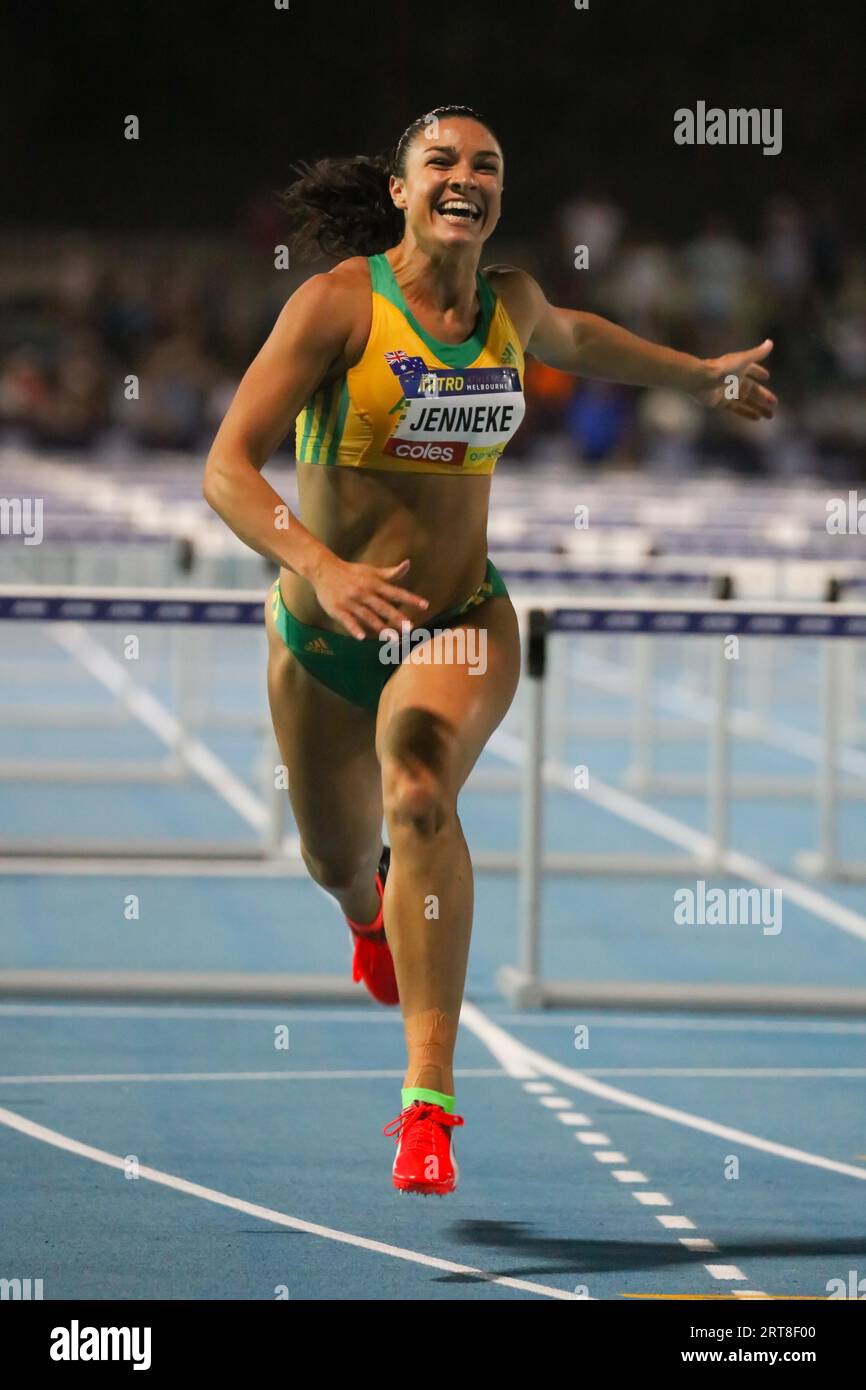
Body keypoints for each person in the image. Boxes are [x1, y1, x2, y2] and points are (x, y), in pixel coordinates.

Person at [203, 104, 776, 1196]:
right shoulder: (334, 306)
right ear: (401, 191)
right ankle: (368, 910)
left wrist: (696, 374)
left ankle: (427, 1102)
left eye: (487, 164)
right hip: (325, 636)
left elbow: (582, 338)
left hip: (460, 619)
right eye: (441, 161)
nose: (465, 175)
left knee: (418, 792)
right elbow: (227, 467)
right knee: (335, 858)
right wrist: (323, 569)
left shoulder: (509, 303)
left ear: (496, 196)